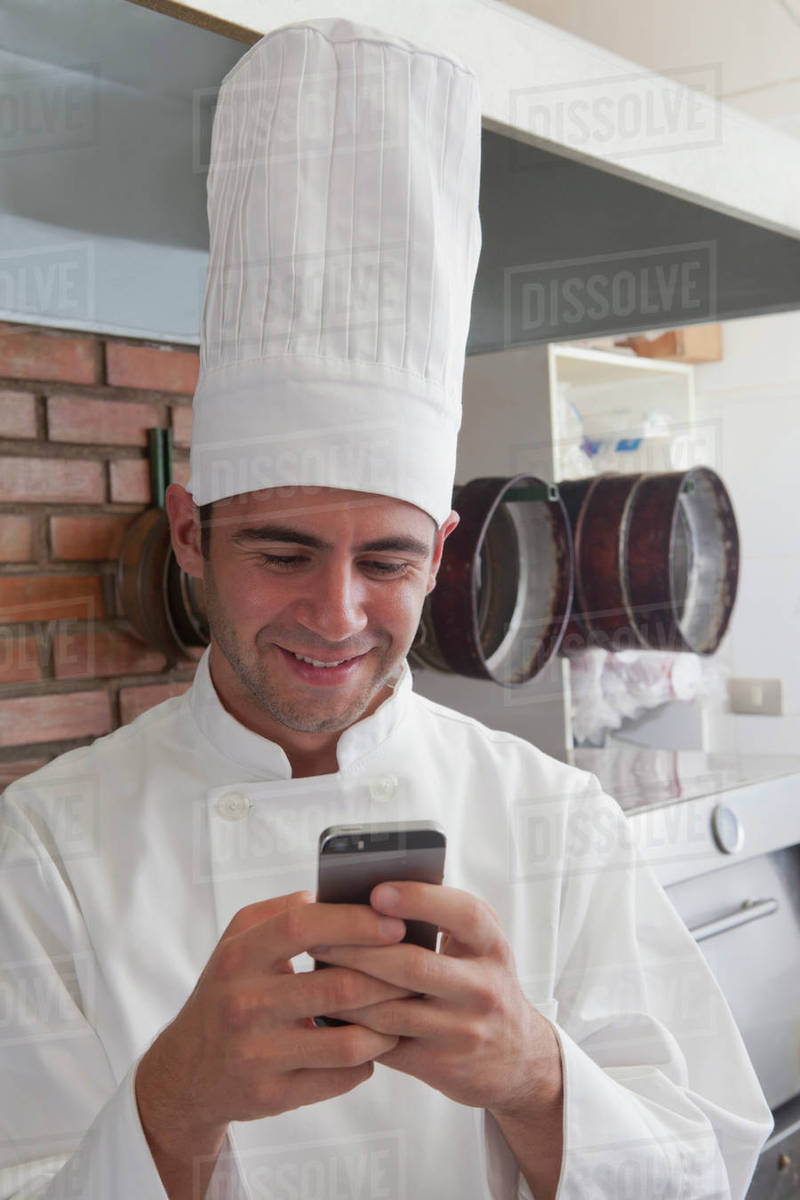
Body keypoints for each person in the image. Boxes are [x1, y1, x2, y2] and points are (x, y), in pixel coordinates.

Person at [0, 18, 772, 1200]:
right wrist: (173, 1109)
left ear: (443, 556)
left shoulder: (552, 820)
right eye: (282, 551)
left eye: (388, 562)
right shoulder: (48, 850)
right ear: (190, 533)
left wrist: (537, 1078)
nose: (336, 613)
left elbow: (708, 1172)